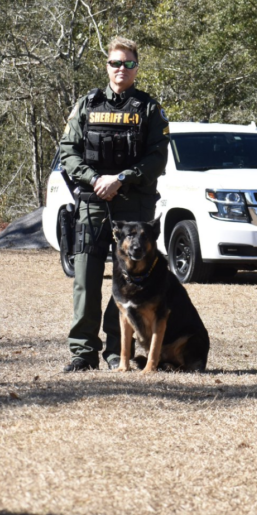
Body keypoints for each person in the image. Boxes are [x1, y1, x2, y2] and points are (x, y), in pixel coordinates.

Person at [59, 37, 170, 372]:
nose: (121, 69)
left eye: (128, 63)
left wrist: (121, 177)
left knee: (127, 280)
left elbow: (158, 158)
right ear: (107, 65)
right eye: (115, 63)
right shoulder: (87, 104)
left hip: (133, 207)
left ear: (137, 67)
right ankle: (83, 353)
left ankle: (114, 351)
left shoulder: (149, 109)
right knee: (86, 278)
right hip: (93, 204)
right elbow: (67, 150)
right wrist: (94, 179)